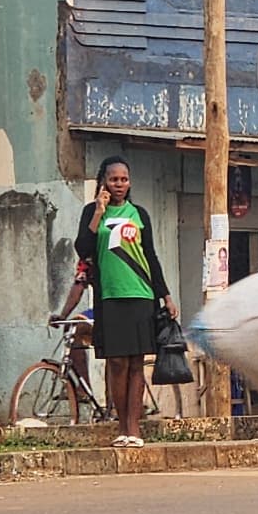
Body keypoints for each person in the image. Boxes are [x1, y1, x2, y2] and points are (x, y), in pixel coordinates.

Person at [55, 156, 175, 448]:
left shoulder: (139, 214)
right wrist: (98, 211)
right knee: (117, 362)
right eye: (113, 179)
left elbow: (151, 257)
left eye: (123, 179)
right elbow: (83, 248)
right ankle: (121, 426)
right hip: (109, 297)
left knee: (136, 363)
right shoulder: (91, 213)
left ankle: (134, 428)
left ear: (129, 182)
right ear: (103, 182)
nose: (119, 184)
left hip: (141, 295)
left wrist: (166, 295)